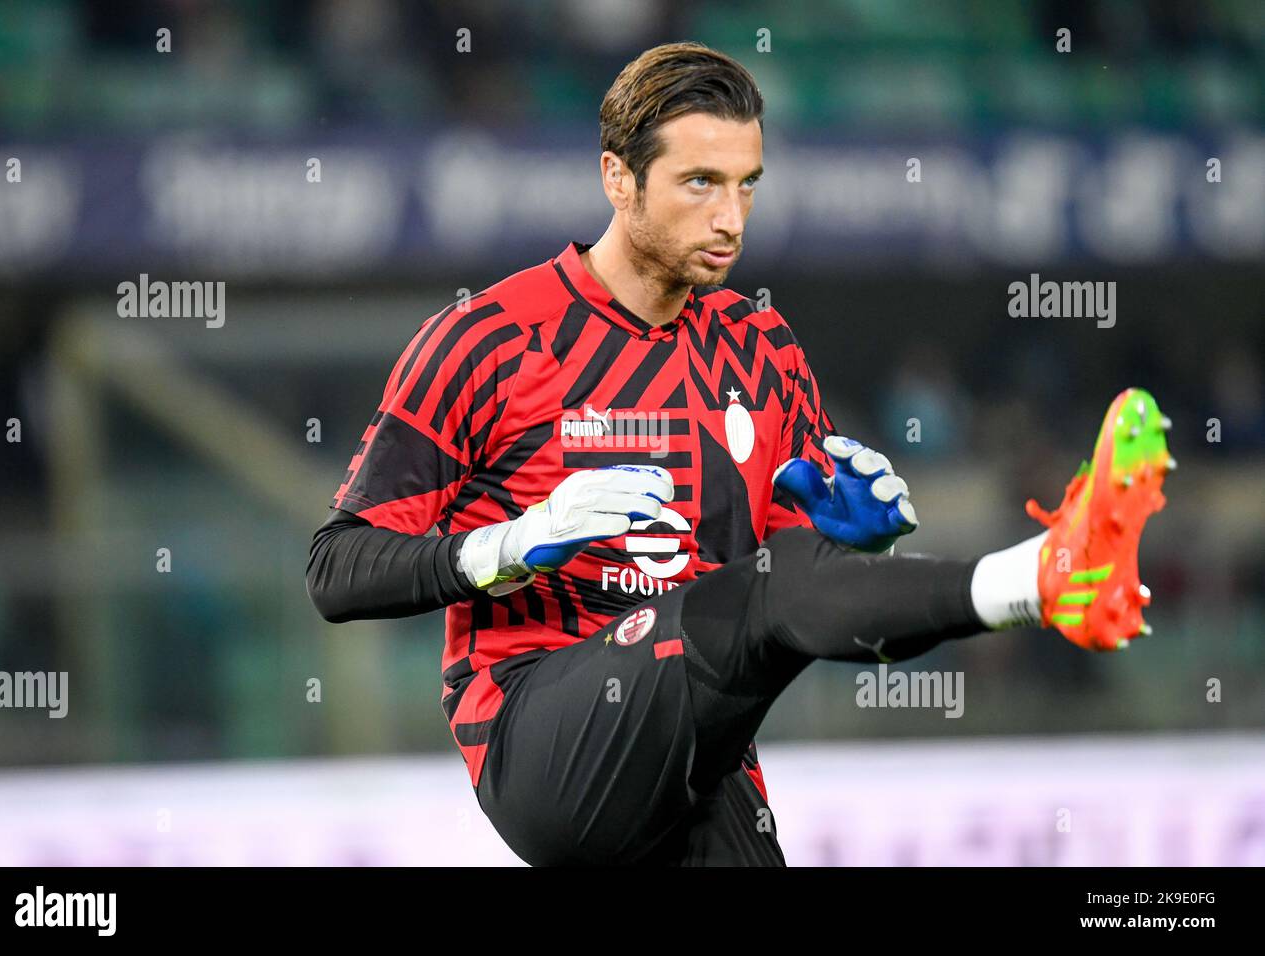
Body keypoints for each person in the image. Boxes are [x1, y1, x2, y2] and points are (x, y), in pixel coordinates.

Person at [306, 42, 1172, 866]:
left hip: (699, 757)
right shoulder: (490, 339)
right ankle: (1043, 577)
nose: (730, 219)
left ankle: (1043, 580)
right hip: (542, 740)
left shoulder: (762, 349)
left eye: (747, 186)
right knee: (773, 583)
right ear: (617, 177)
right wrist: (508, 547)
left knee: (787, 574)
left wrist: (855, 544)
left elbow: (796, 598)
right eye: (699, 183)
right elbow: (338, 570)